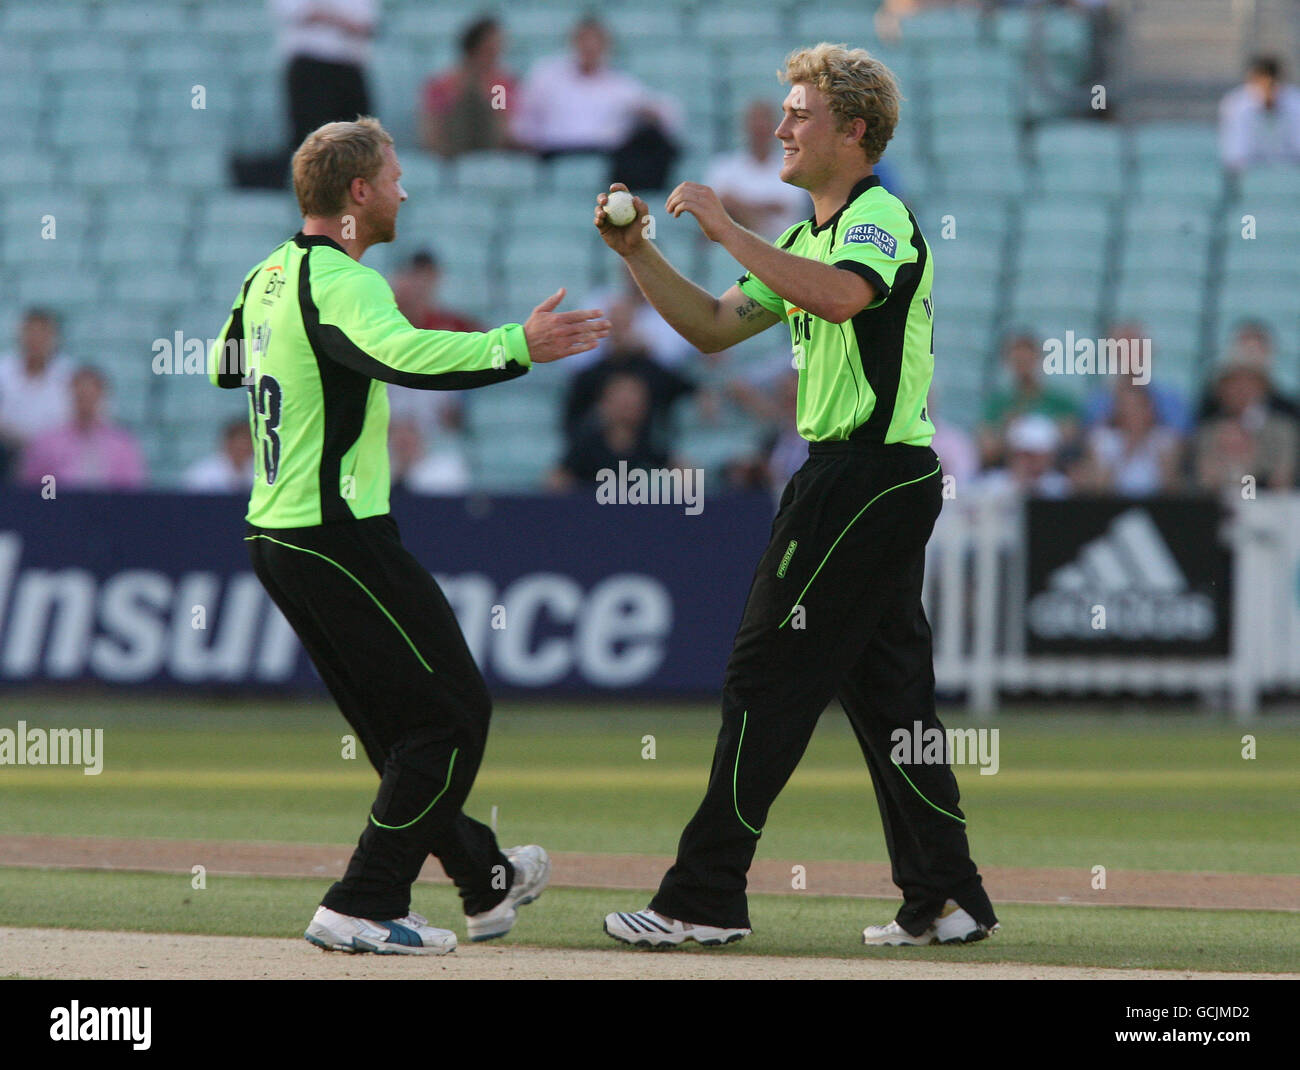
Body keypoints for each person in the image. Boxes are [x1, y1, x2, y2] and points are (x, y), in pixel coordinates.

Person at [595, 43, 998, 949]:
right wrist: (639, 253)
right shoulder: (810, 234)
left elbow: (843, 300)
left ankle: (702, 898)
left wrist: (728, 227)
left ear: (853, 131)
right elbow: (707, 327)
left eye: (799, 114)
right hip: (852, 477)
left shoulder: (876, 217)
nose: (780, 127)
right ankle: (947, 895)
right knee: (892, 695)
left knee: (763, 677)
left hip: (866, 474)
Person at [208, 117, 610, 954]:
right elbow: (401, 357)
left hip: (275, 536)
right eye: (393, 176)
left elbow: (226, 365)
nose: (404, 189)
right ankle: (363, 899)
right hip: (336, 533)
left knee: (399, 734)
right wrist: (516, 346)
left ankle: (482, 875)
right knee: (454, 713)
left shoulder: (267, 275)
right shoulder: (344, 281)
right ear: (358, 194)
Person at [512, 16, 681, 190]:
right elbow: (525, 116)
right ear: (574, 41)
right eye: (585, 40)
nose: (590, 47)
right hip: (554, 148)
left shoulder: (618, 84)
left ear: (606, 46)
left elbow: (666, 111)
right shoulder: (547, 75)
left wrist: (648, 113)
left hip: (603, 150)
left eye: (596, 42)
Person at [19, 366, 147, 491]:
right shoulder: (47, 443)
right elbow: (32, 488)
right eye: (81, 396)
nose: (86, 402)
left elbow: (133, 490)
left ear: (102, 397)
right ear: (70, 396)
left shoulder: (123, 445)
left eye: (91, 396)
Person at [706, 101, 812, 239]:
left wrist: (737, 207)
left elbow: (786, 208)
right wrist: (764, 210)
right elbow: (715, 208)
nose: (760, 130)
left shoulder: (794, 167)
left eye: (765, 124)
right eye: (755, 124)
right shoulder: (723, 166)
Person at [419, 16, 520, 158]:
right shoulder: (443, 84)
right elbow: (430, 132)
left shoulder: (499, 85)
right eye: (489, 49)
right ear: (474, 48)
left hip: (491, 154)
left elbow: (503, 130)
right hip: (451, 153)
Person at [977, 331, 1079, 470]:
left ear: (1039, 360)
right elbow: (987, 449)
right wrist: (1006, 428)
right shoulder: (998, 403)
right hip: (1008, 473)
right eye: (1018, 362)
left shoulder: (1060, 401)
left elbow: (1073, 440)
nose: (1023, 368)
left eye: (1027, 361)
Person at [0, 308, 73, 480]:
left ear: (54, 337)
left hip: (56, 454)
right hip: (7, 450)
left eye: (42, 333)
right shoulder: (3, 370)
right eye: (31, 332)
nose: (36, 339)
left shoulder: (68, 375)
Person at [1220, 55, 1300, 173]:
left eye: (1271, 83)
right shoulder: (1237, 104)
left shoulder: (1295, 101)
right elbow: (1235, 155)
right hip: (1250, 173)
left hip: (1290, 171)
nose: (1267, 89)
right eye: (1262, 83)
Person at [182, 418, 256, 493]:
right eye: (241, 443)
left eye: (248, 443)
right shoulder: (202, 473)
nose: (245, 447)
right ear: (228, 442)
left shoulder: (257, 469)